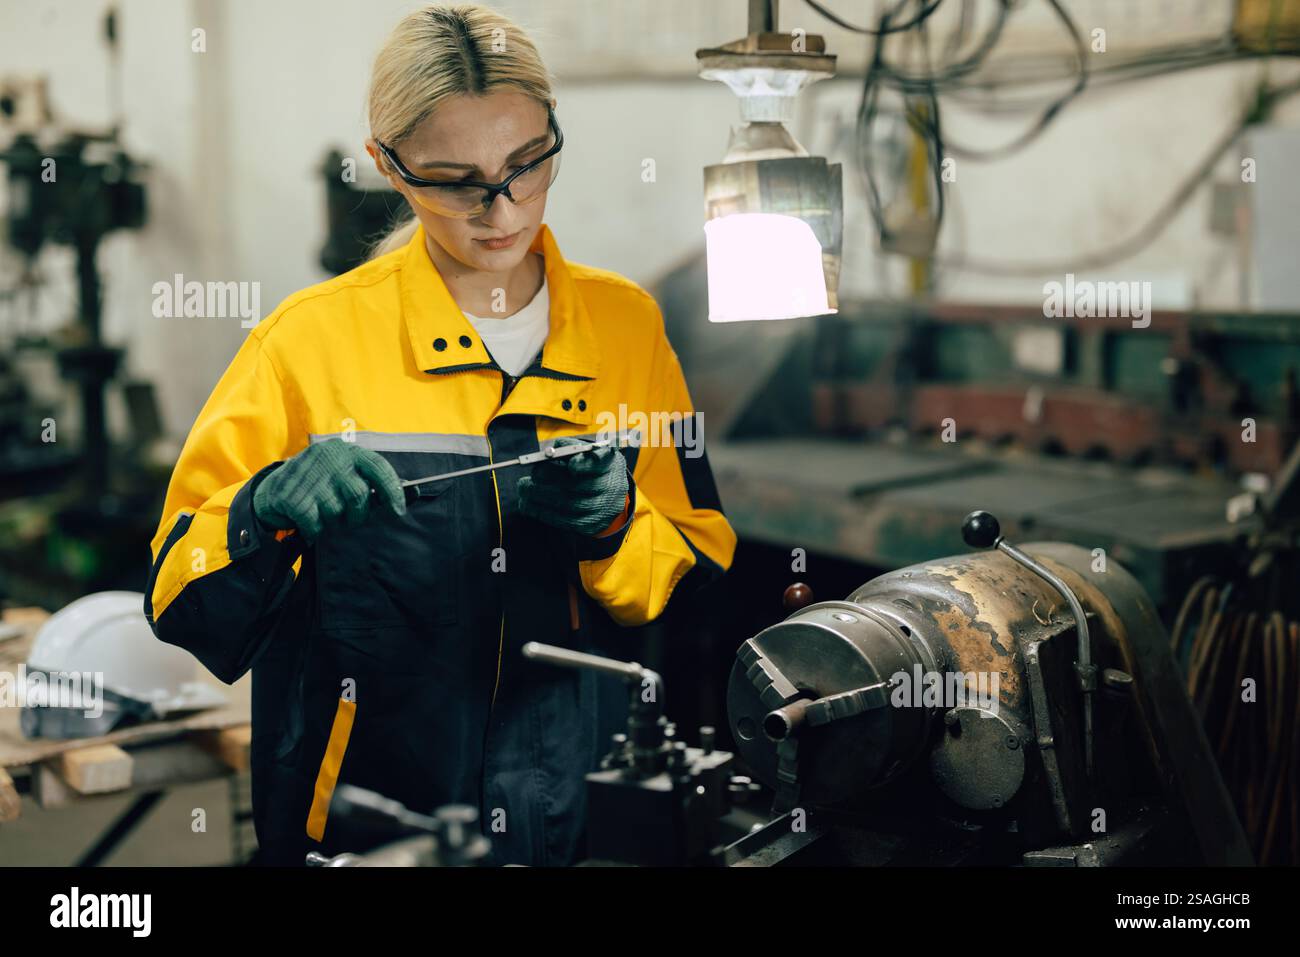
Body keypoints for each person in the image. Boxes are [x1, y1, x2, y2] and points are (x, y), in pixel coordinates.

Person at [144, 2, 736, 866]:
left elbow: (698, 577)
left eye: (527, 164)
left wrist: (615, 526)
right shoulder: (306, 343)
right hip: (369, 832)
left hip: (582, 823)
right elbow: (177, 597)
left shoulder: (626, 327)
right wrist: (262, 508)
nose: (501, 208)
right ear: (388, 164)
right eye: (456, 180)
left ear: (552, 132)